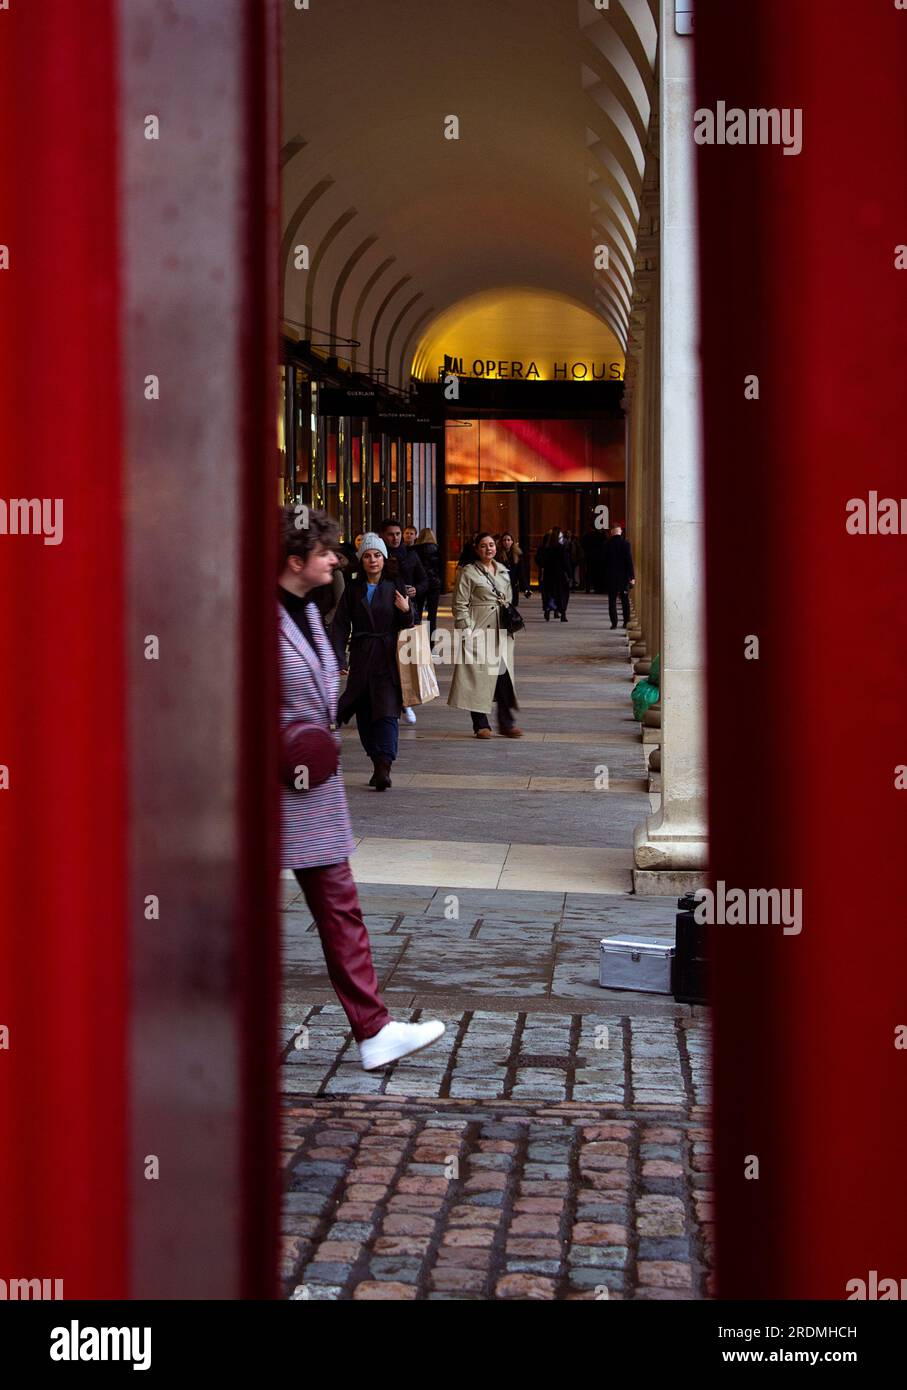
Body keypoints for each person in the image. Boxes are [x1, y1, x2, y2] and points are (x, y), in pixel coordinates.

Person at [278, 507, 444, 1069]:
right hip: (266, 790)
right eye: (325, 552)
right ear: (295, 560)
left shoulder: (309, 608)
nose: (337, 558)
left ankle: (374, 1031)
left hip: (310, 793)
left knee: (340, 907)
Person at [331, 532, 414, 791]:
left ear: (384, 558)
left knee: (387, 713)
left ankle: (384, 765)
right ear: (361, 560)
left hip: (388, 660)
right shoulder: (353, 589)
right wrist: (338, 656)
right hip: (362, 657)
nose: (373, 560)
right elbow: (341, 625)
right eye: (367, 556)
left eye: (377, 555)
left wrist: (406, 611)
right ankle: (377, 760)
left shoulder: (394, 584)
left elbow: (408, 626)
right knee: (365, 713)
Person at [448, 531, 522, 739]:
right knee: (478, 677)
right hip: (479, 630)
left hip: (501, 631)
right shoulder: (468, 572)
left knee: (503, 677)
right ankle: (480, 724)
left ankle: (506, 723)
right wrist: (467, 630)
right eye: (483, 545)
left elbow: (508, 599)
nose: (488, 548)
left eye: (491, 544)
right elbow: (459, 604)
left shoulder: (503, 571)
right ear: (476, 549)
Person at [380, 517, 427, 726]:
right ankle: (395, 703)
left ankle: (405, 701)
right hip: (383, 614)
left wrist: (417, 589)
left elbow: (426, 580)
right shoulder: (378, 556)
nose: (395, 538)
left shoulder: (411, 555)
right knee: (388, 661)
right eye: (391, 534)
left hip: (407, 613)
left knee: (405, 660)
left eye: (398, 534)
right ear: (383, 536)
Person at [602, 524, 636, 628]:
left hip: (611, 576)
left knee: (612, 600)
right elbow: (629, 561)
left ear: (612, 532)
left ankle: (614, 623)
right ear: (620, 532)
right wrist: (632, 577)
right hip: (623, 577)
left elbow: (603, 562)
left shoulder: (607, 544)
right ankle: (626, 621)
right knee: (625, 600)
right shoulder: (626, 544)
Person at [536, 526, 571, 621]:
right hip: (560, 575)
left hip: (548, 574)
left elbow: (539, 560)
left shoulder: (545, 548)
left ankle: (548, 610)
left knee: (549, 593)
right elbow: (566, 562)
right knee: (562, 594)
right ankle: (562, 613)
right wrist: (569, 574)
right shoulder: (561, 548)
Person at [413, 526, 442, 636]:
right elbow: (440, 568)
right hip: (434, 584)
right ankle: (431, 644)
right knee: (432, 616)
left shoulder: (415, 549)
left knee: (417, 614)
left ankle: (418, 641)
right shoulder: (437, 549)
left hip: (420, 584)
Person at [497, 531, 527, 609]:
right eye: (504, 540)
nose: (506, 542)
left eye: (508, 540)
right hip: (501, 585)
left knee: (513, 606)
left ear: (512, 541)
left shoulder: (517, 554)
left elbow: (521, 572)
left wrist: (526, 588)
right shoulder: (498, 554)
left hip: (513, 585)